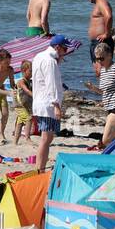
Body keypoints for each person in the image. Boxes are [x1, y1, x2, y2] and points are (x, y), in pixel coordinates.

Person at [33, 34, 72, 171]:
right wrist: (56, 106)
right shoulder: (50, 61)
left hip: (40, 101)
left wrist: (59, 59)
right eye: (65, 49)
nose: (66, 52)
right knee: (46, 138)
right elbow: (51, 84)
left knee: (46, 138)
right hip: (48, 104)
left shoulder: (39, 56)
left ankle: (40, 167)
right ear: (57, 47)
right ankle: (40, 168)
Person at [13, 60, 35, 145]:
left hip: (25, 106)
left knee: (20, 123)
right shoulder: (21, 81)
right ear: (24, 71)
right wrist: (34, 95)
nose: (32, 73)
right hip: (20, 105)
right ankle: (27, 137)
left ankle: (15, 142)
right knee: (29, 118)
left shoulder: (30, 81)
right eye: (30, 71)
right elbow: (26, 90)